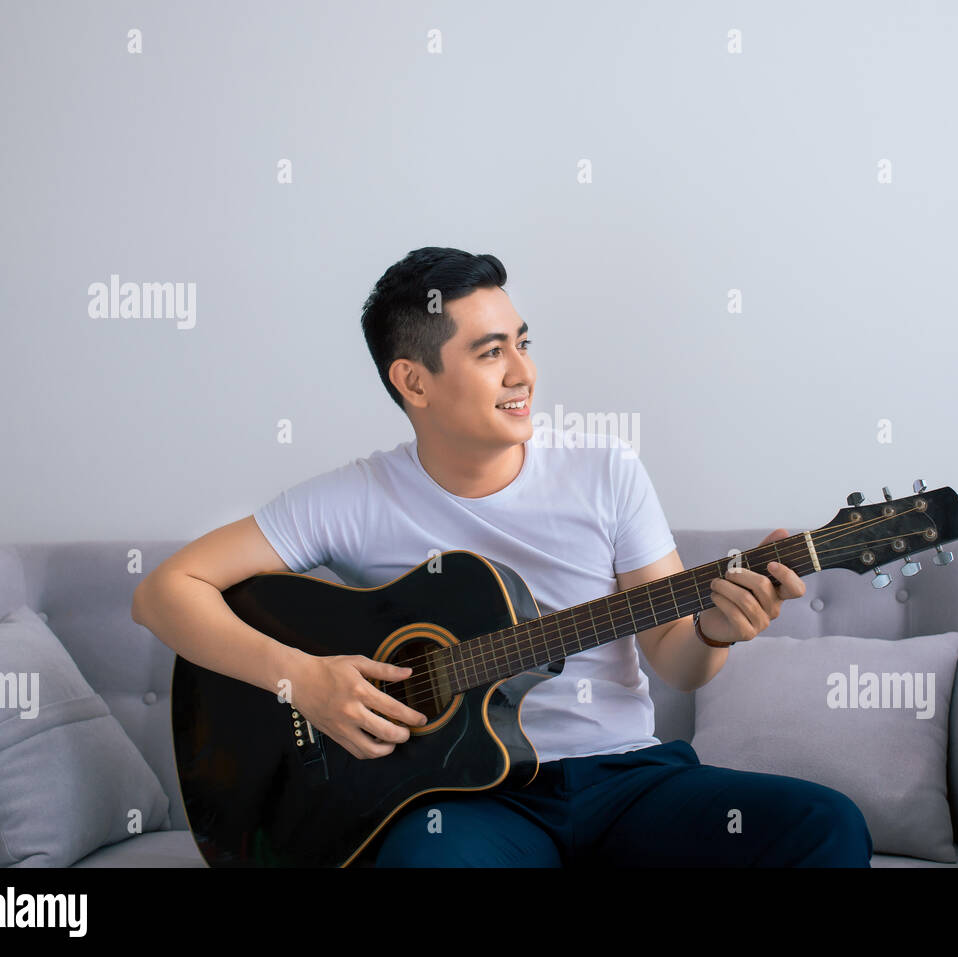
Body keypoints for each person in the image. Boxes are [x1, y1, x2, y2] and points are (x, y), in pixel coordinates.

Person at [133, 246, 872, 868]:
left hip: (625, 779)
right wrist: (303, 680)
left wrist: (715, 630)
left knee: (826, 824)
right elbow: (165, 591)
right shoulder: (356, 497)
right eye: (491, 352)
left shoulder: (605, 469)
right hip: (465, 803)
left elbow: (675, 659)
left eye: (522, 341)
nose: (524, 372)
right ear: (413, 381)